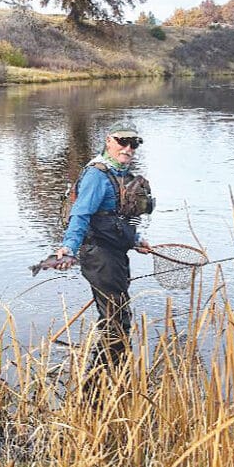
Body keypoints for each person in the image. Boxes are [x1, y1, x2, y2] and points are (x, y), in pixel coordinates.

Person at [55, 121, 154, 373]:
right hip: (98, 255)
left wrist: (135, 240)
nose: (128, 148)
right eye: (122, 142)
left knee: (118, 313)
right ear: (109, 141)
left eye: (134, 143)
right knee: (116, 318)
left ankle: (112, 372)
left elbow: (119, 217)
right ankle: (103, 380)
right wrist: (68, 246)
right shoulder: (96, 175)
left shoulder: (122, 174)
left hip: (116, 254)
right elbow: (81, 215)